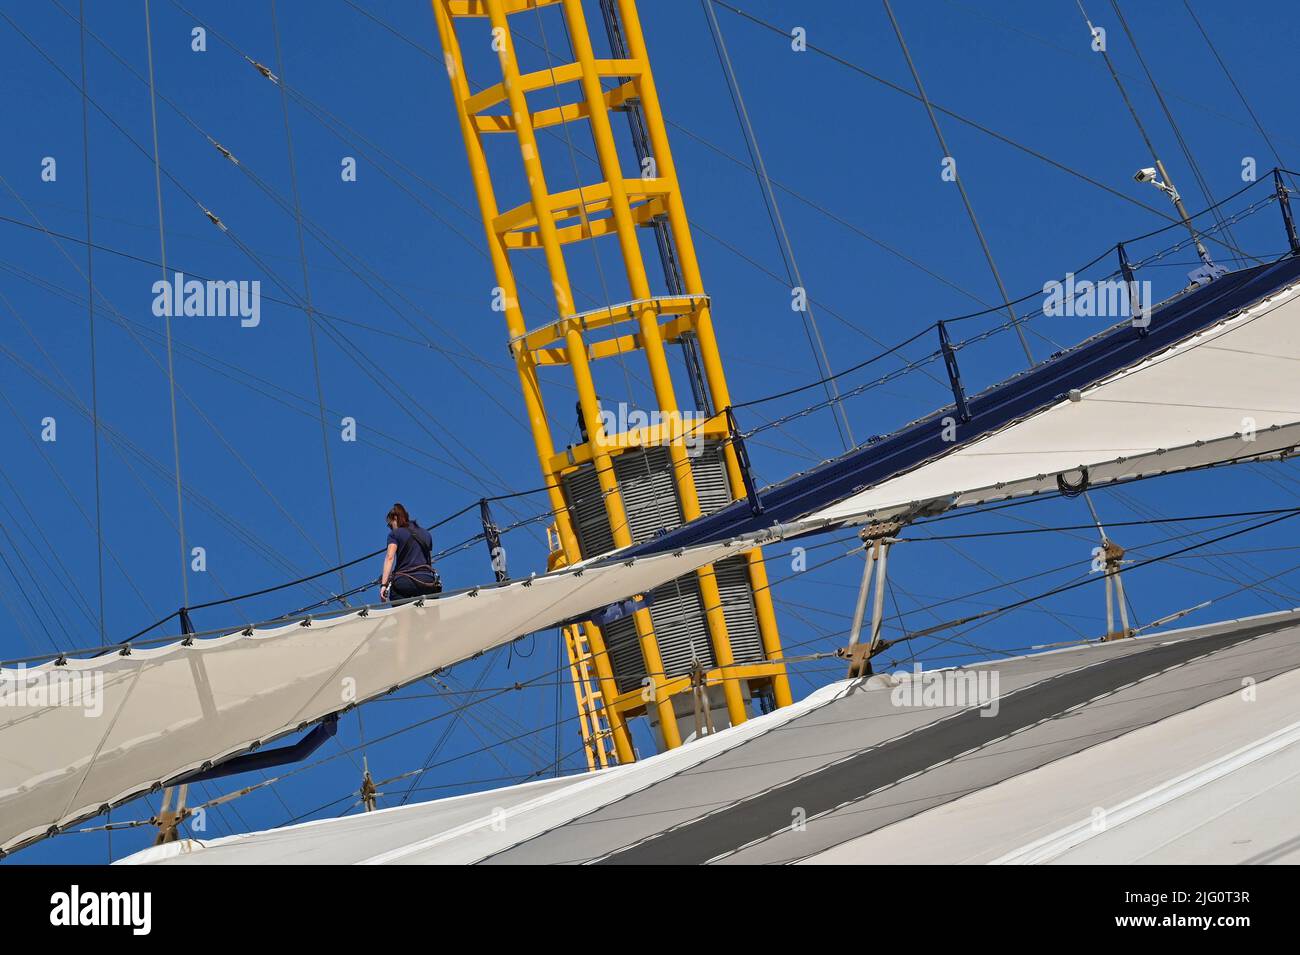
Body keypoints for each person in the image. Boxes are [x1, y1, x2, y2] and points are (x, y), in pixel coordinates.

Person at [379, 503, 442, 602]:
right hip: (427, 582)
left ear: (395, 518)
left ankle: (403, 617)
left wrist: (384, 585)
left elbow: (390, 558)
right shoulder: (426, 534)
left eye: (390, 524)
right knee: (431, 610)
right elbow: (429, 561)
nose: (390, 528)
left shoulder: (394, 535)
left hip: (405, 582)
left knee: (396, 597)